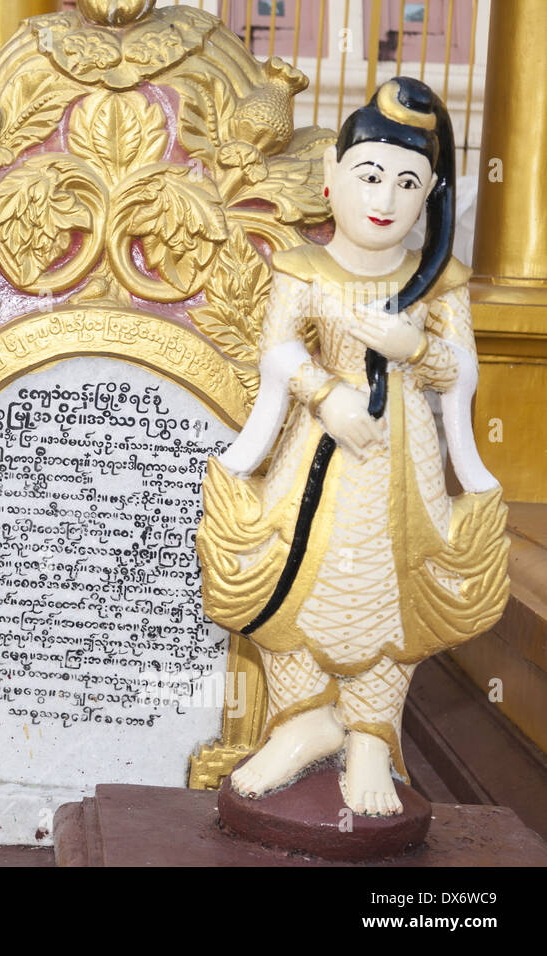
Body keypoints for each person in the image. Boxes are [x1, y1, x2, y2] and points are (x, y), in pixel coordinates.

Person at [197, 77, 508, 816]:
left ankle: (370, 732)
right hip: (318, 445)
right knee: (289, 574)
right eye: (370, 175)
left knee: (390, 586)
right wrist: (323, 392)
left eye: (409, 183)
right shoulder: (302, 269)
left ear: (431, 197)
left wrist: (415, 348)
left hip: (401, 459)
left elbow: (462, 369)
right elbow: (277, 348)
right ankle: (303, 722)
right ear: (331, 178)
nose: (386, 198)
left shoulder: (438, 283)